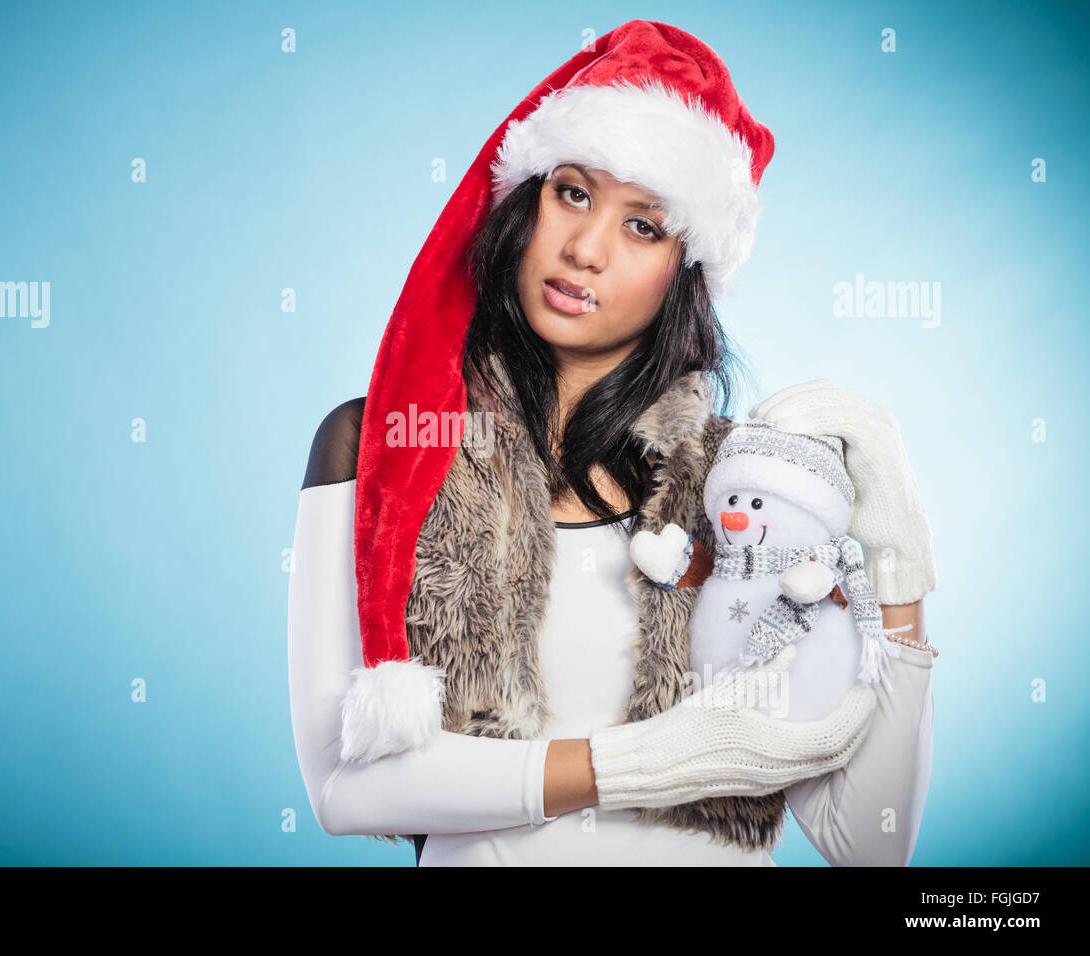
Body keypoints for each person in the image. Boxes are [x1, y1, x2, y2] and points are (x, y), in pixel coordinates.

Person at [288, 19, 938, 866]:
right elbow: (347, 788)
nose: (585, 249)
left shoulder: (743, 487)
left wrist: (897, 564)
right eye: (573, 192)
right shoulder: (385, 448)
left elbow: (870, 846)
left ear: (687, 269)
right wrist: (645, 764)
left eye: (645, 227)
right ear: (525, 200)